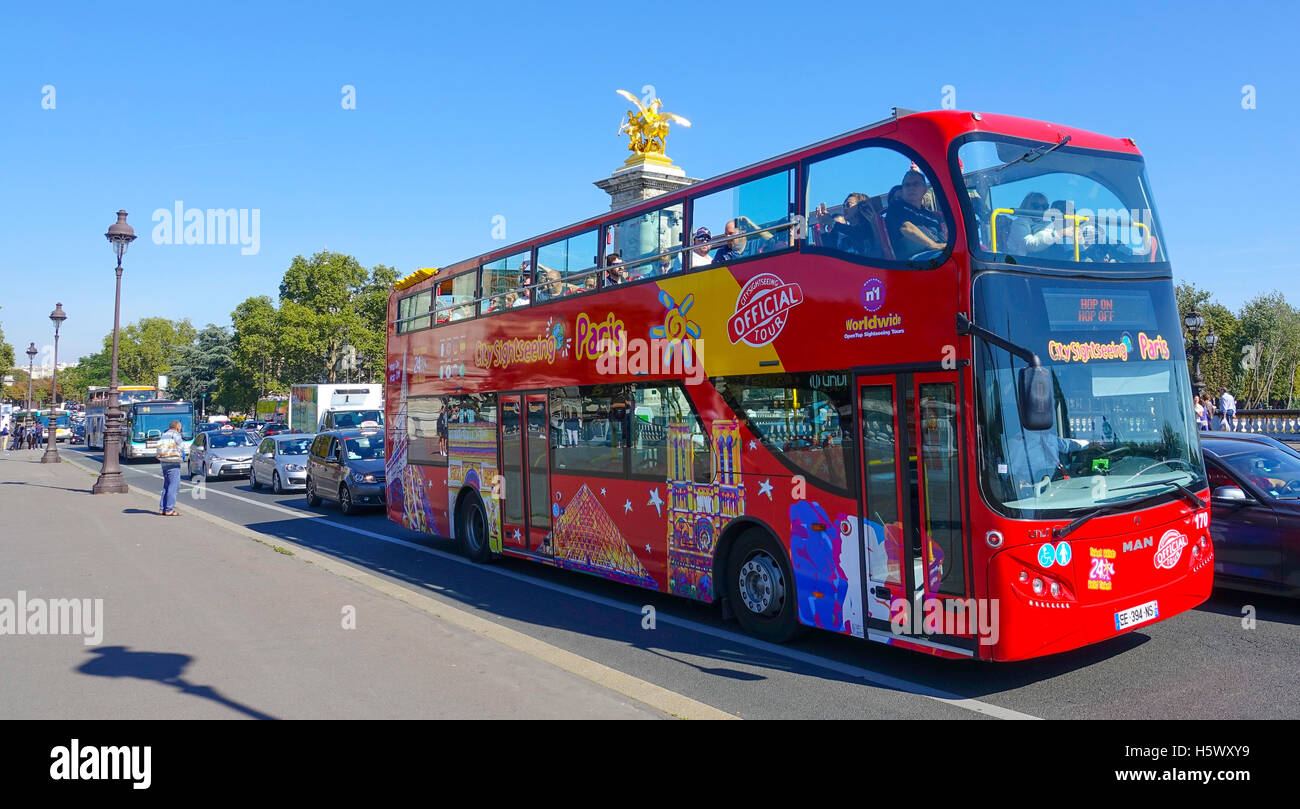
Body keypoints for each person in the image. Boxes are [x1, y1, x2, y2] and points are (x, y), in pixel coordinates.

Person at [883, 169, 947, 260]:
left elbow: (943, 238)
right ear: (903, 189)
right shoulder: (896, 208)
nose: (911, 187)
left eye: (916, 184)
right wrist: (934, 245)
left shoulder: (931, 215)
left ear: (924, 189)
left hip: (939, 253)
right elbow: (906, 228)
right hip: (915, 260)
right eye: (907, 185)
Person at [1004, 192, 1062, 257]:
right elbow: (1030, 245)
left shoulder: (1048, 223)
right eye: (1036, 206)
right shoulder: (1020, 222)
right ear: (1026, 206)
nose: (1041, 209)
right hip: (1023, 263)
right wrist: (1059, 233)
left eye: (1045, 207)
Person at [156, 419, 188, 517]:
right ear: (177, 427)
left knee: (166, 485)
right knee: (174, 486)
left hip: (164, 462)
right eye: (180, 427)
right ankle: (169, 509)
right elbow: (182, 446)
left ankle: (162, 508)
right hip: (173, 462)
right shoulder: (176, 435)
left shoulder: (164, 434)